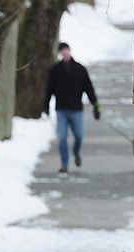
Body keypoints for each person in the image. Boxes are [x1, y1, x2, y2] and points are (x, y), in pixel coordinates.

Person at [44, 42, 100, 174]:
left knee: (79, 136)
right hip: (61, 109)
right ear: (59, 54)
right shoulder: (55, 70)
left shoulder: (80, 69)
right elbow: (49, 90)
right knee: (62, 138)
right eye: (62, 51)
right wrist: (45, 106)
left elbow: (89, 89)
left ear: (69, 51)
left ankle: (76, 151)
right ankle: (64, 164)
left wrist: (96, 106)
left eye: (66, 50)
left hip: (76, 109)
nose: (64, 53)